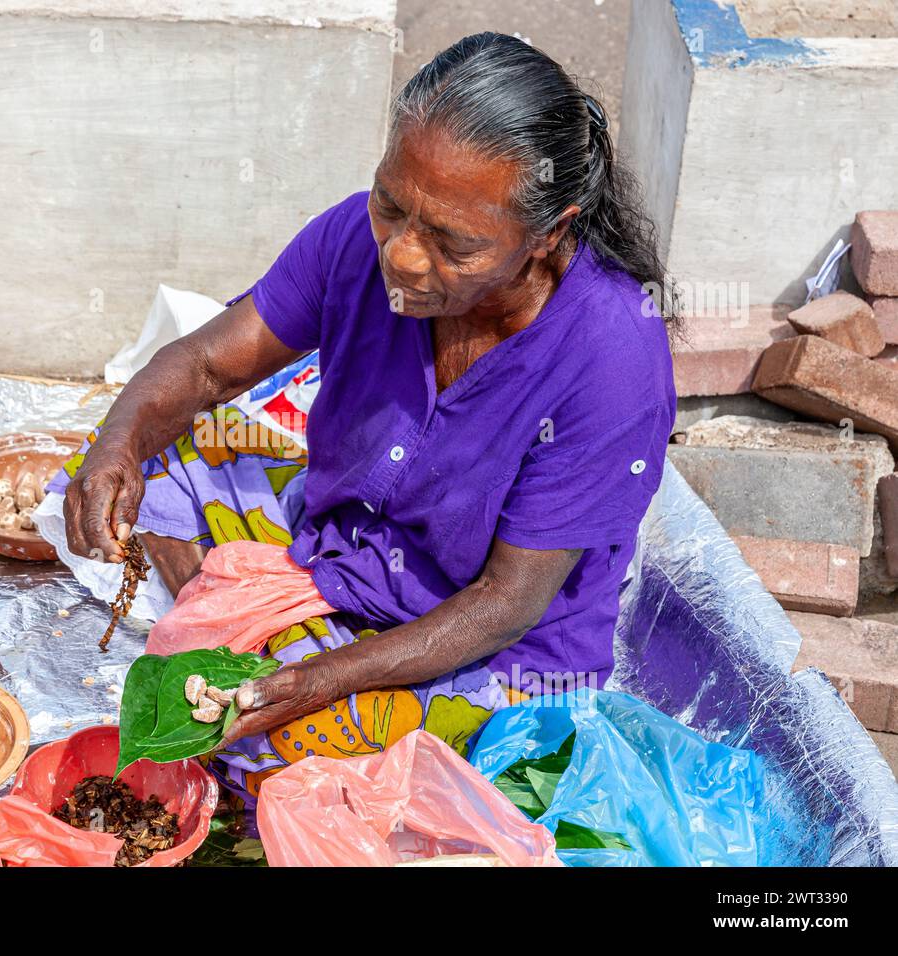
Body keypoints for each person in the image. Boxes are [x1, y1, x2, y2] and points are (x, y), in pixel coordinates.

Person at [48, 32, 676, 810]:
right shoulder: (357, 240)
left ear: (548, 234)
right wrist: (115, 447)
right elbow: (210, 366)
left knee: (287, 769)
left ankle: (263, 638)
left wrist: (318, 681)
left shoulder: (611, 354)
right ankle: (257, 626)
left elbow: (507, 603)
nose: (405, 258)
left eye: (453, 243)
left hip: (486, 640)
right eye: (391, 205)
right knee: (149, 452)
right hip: (342, 544)